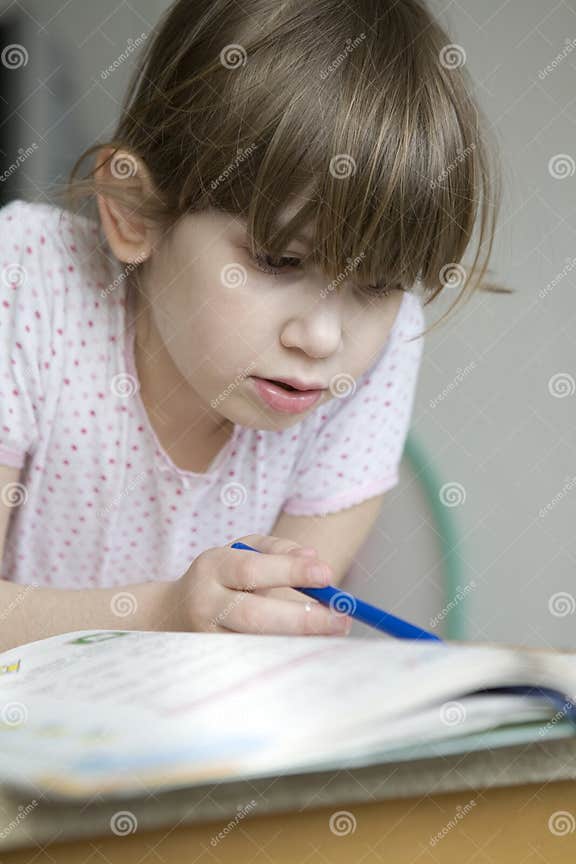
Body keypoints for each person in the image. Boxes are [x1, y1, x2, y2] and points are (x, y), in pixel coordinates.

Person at [0, 0, 503, 651]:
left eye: (378, 285)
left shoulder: (380, 347)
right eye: (278, 260)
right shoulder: (27, 279)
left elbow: (272, 648)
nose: (322, 339)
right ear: (134, 215)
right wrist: (157, 616)